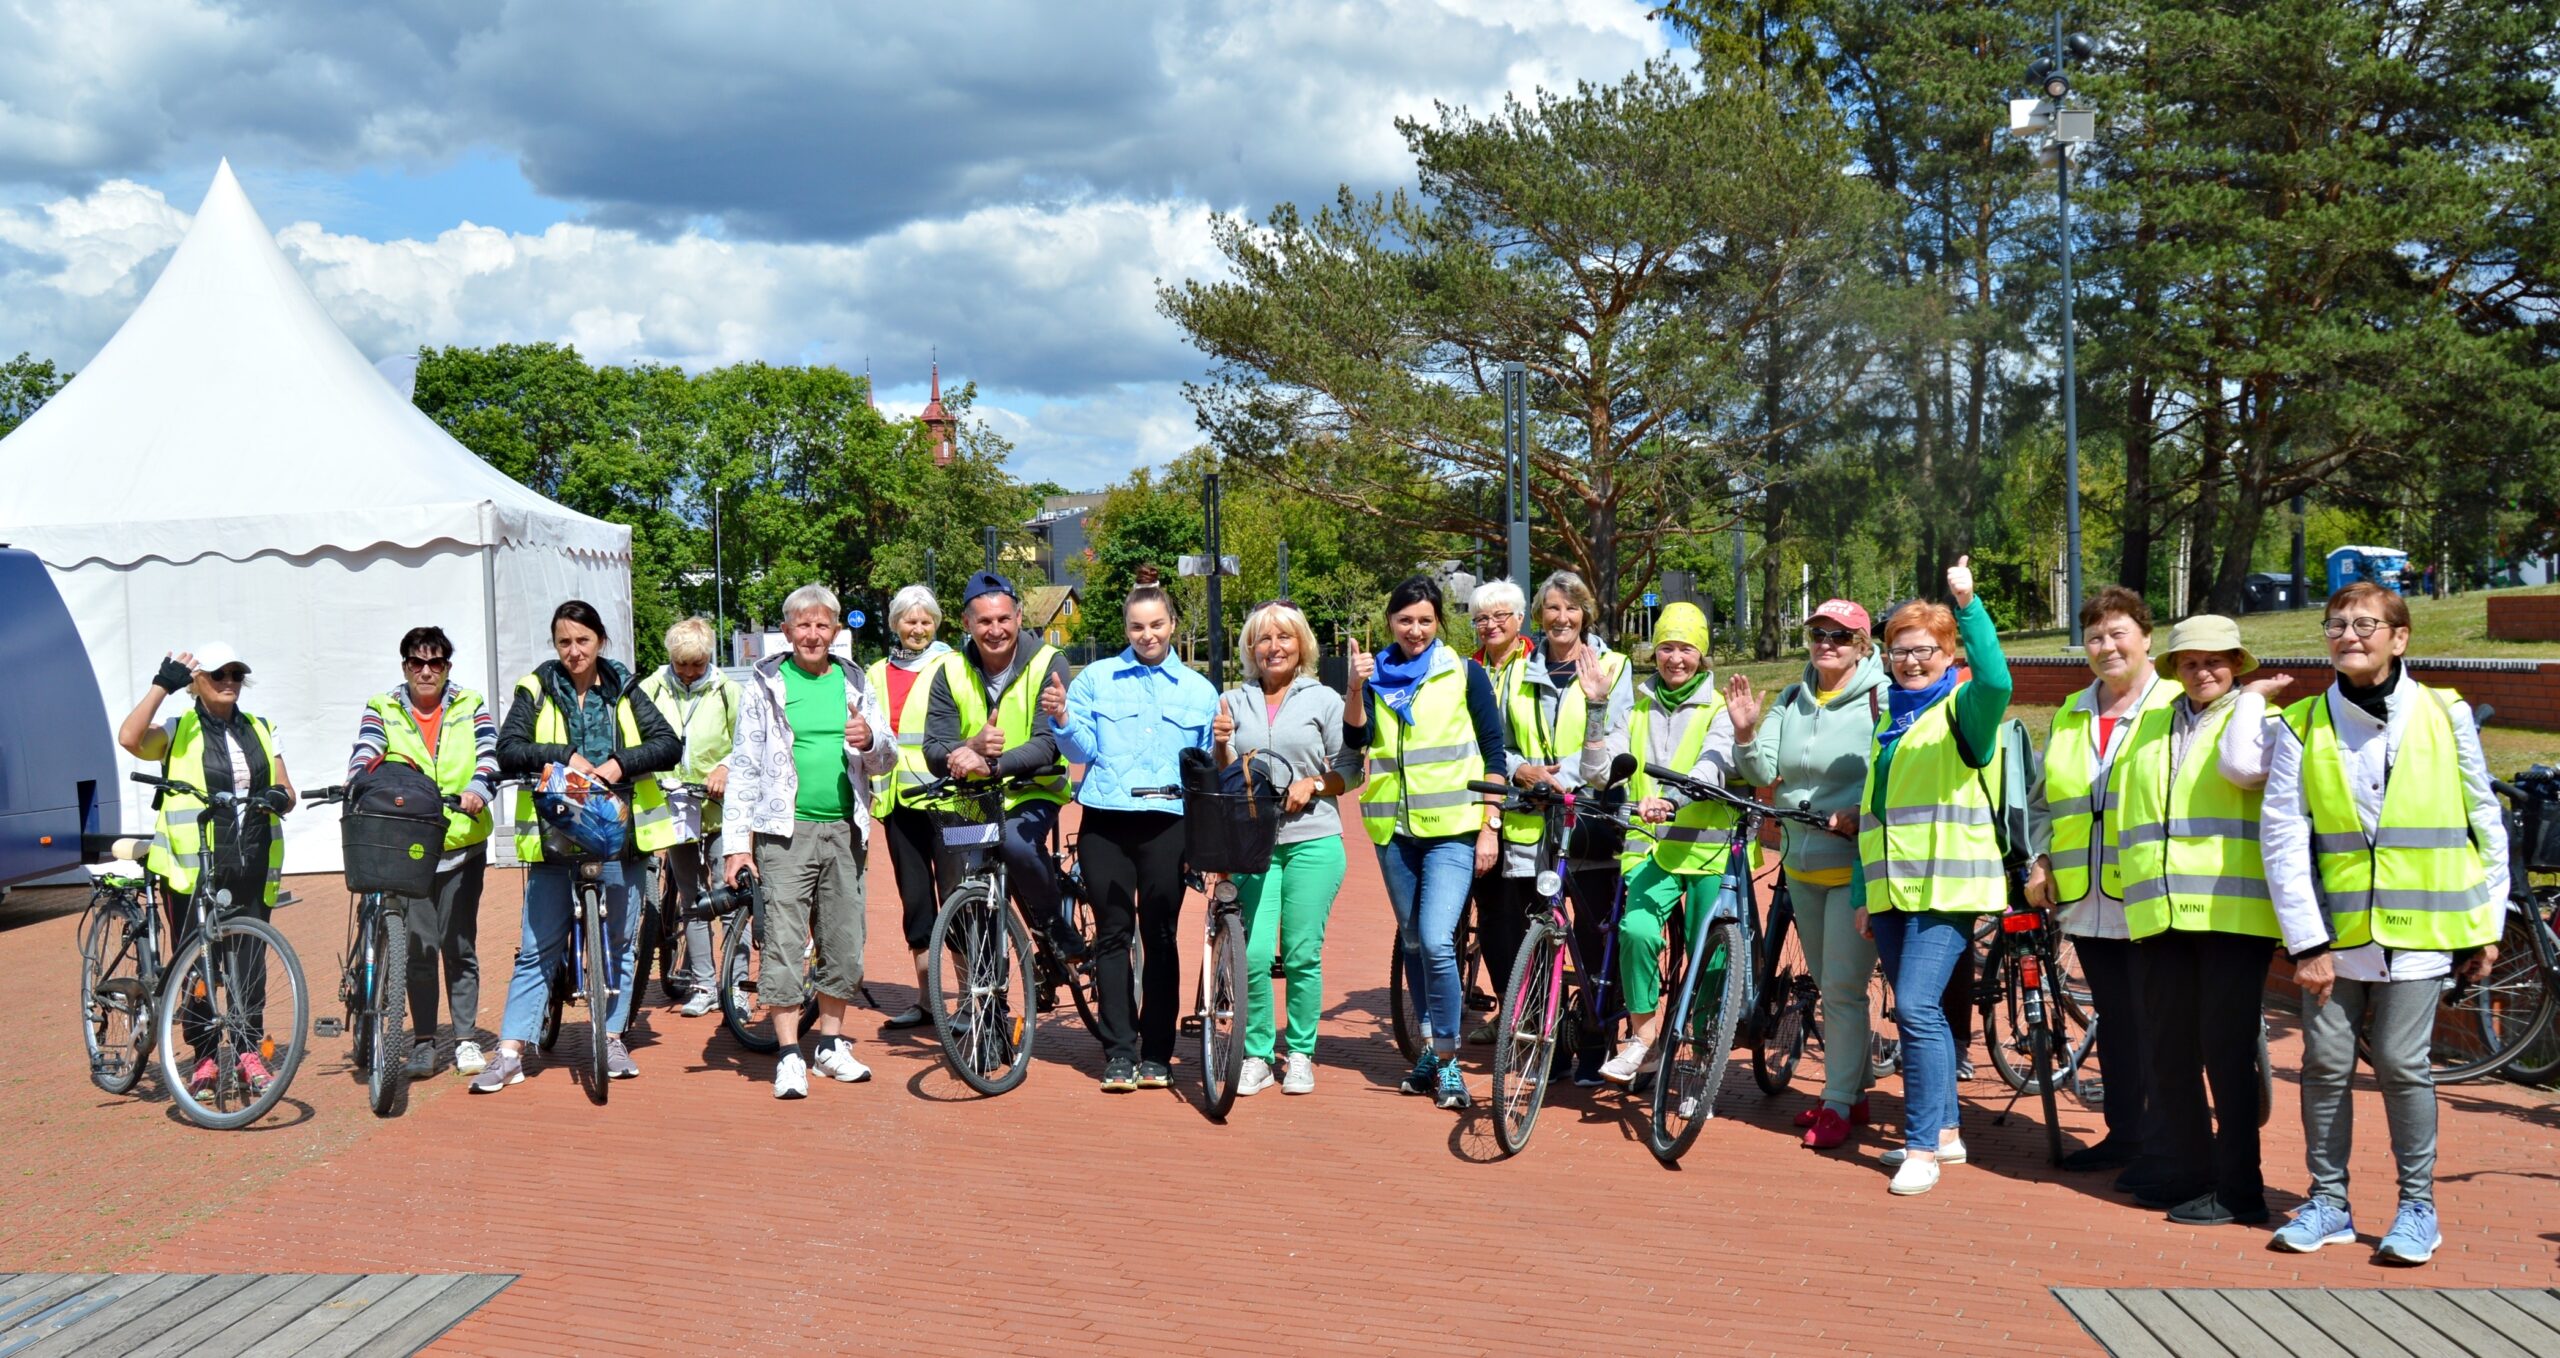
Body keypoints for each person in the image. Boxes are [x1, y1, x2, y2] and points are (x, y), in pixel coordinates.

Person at [2264, 582, 2506, 1264]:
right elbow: (2283, 836)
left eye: (2365, 624)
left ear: (2399, 638)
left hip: (2422, 929)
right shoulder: (2301, 723)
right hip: (2335, 932)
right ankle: (2329, 1203)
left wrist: (2486, 924)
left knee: (2402, 1063)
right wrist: (2306, 942)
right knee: (2325, 1063)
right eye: (2336, 624)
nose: (2349, 635)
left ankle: (2418, 1208)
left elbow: (2484, 820)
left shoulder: (2445, 713)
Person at [2112, 614, 2294, 1226]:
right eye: (2189, 662)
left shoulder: (2261, 722)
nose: (2202, 671)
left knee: (2226, 1053)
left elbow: (2245, 773)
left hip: (2231, 914)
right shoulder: (2153, 724)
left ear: (2237, 664)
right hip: (2161, 913)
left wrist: (2254, 699)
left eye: (2215, 661)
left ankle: (2241, 1189)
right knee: (2169, 1050)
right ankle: (2187, 1169)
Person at [473, 600, 682, 1094]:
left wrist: (618, 764)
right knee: (536, 949)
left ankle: (611, 1036)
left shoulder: (624, 686)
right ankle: (510, 1053)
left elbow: (669, 744)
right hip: (554, 837)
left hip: (619, 838)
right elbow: (508, 749)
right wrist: (563, 756)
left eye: (583, 641)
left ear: (600, 641)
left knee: (620, 946)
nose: (574, 651)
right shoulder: (537, 686)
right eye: (564, 642)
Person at [1859, 556, 2011, 1196]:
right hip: (1893, 891)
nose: (1911, 661)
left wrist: (1969, 606)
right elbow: (1877, 814)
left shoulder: (1963, 710)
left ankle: (1919, 1147)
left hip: (1947, 888)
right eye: (1899, 650)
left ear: (1949, 655)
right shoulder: (1889, 720)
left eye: (1924, 650)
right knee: (1927, 1016)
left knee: (1918, 1009)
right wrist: (1867, 896)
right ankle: (1946, 1132)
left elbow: (1998, 681)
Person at [2022, 587, 2179, 1185]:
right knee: (2114, 1020)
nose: (2106, 646)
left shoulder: (2174, 706)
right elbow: (2044, 802)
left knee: (2159, 1023)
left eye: (2118, 633)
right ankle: (2126, 1134)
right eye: (2094, 636)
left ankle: (2166, 1144)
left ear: (2146, 637)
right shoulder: (2072, 713)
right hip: (2086, 898)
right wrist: (2041, 859)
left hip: (2151, 894)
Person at [720, 585, 899, 1099]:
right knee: (783, 941)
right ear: (787, 631)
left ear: (836, 631)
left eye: (823, 625)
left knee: (844, 940)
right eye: (803, 625)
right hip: (784, 834)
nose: (813, 635)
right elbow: (744, 766)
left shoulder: (855, 682)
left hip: (846, 830)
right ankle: (788, 1053)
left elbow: (886, 759)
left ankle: (830, 1045)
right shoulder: (765, 685)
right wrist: (737, 845)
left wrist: (871, 742)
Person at [1048, 566, 1220, 1091]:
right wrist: (1062, 720)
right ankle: (1120, 1052)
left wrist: (1203, 836)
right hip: (1106, 822)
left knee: (1161, 935)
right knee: (1113, 935)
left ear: (1172, 625)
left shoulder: (1199, 690)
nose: (1148, 635)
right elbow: (1081, 750)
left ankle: (1158, 1054)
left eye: (1157, 625)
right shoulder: (1097, 679)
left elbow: (1206, 767)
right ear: (1126, 628)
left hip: (1169, 825)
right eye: (1137, 627)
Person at [1346, 576, 1512, 1111]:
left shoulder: (1464, 672)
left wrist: (1489, 825)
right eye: (1405, 620)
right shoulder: (1373, 674)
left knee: (1439, 941)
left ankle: (1446, 1056)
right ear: (1390, 622)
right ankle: (1428, 1051)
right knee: (1414, 941)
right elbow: (1355, 740)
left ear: (1439, 622)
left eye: (1425, 620)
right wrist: (1354, 688)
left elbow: (1493, 752)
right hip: (1393, 830)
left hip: (1453, 829)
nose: (1414, 630)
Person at [1730, 598, 1888, 1149]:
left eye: (1840, 636)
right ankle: (1856, 1091)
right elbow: (1763, 771)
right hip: (1800, 864)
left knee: (1842, 989)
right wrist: (1746, 733)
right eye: (1819, 633)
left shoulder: (1881, 698)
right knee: (1831, 986)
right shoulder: (1792, 698)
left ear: (1862, 646)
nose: (1827, 643)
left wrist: (1862, 813)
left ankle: (1837, 1102)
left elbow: (1895, 775)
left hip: (1856, 867)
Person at [118, 642, 298, 1098]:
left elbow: (286, 789)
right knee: (198, 964)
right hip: (191, 867)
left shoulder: (261, 727)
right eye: (219, 674)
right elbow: (130, 738)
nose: (229, 682)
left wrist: (279, 796)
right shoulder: (178, 729)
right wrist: (161, 687)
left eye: (236, 674)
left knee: (250, 963)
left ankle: (248, 1052)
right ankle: (204, 1057)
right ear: (197, 682)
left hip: (252, 861)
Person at [1486, 570, 1630, 1085]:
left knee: (1593, 939)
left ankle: (1593, 1042)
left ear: (1586, 614)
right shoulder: (1517, 670)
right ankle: (1541, 1043)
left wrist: (1558, 778)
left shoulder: (1614, 665)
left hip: (1590, 818)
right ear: (1538, 615)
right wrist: (1522, 770)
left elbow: (1617, 740)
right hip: (1530, 824)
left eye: (1571, 608)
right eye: (1552, 608)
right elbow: (1497, 742)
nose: (1562, 618)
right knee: (1534, 938)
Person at [1215, 600, 1362, 1096]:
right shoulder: (1232, 701)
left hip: (1313, 841)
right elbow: (1224, 775)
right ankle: (1257, 1054)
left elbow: (1352, 770)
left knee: (1301, 955)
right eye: (1264, 638)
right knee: (1254, 955)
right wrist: (1221, 744)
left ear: (1302, 645)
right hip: (1253, 844)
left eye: (1284, 637)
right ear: (1250, 648)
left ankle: (1300, 1053)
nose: (1274, 647)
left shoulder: (1324, 699)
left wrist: (1315, 784)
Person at [346, 626, 499, 1078]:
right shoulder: (383, 707)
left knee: (459, 944)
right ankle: (425, 1042)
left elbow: (490, 755)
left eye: (436, 663)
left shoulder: (470, 704)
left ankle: (466, 1039)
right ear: (405, 667)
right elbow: (366, 752)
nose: (426, 671)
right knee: (419, 950)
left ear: (447, 667)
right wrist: (360, 782)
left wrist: (478, 789)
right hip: (408, 846)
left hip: (461, 843)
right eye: (417, 662)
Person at [1594, 603, 1735, 1085]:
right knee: (1635, 932)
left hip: (1707, 852)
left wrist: (1671, 799)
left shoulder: (1720, 709)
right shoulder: (1634, 711)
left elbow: (1712, 766)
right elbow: (1600, 770)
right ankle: (1644, 1039)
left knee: (1708, 954)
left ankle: (1703, 1056)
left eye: (1686, 649)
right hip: (1650, 850)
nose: (1676, 658)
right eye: (1667, 648)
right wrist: (1594, 710)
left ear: (1703, 655)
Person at [920, 572, 1079, 985]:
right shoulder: (949, 670)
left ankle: (1053, 924)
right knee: (961, 879)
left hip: (1033, 788)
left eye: (1004, 619)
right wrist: (968, 747)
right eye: (985, 621)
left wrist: (991, 764)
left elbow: (1047, 744)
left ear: (1019, 617)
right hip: (974, 797)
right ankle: (989, 998)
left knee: (1014, 844)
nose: (996, 630)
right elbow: (934, 749)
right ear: (966, 623)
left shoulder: (1048, 662)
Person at [865, 584, 966, 1030]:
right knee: (916, 901)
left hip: (949, 799)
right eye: (910, 620)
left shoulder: (954, 664)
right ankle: (927, 1002)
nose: (919, 628)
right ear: (895, 624)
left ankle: (968, 1000)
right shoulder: (875, 672)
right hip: (899, 802)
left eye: (926, 621)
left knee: (958, 897)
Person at [637, 617, 740, 1019]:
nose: (689, 673)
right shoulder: (651, 688)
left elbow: (747, 741)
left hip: (719, 808)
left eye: (697, 664)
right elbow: (635, 736)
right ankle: (703, 984)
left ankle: (735, 984)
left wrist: (726, 767)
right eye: (681, 664)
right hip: (675, 806)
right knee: (691, 897)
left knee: (729, 894)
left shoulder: (727, 690)